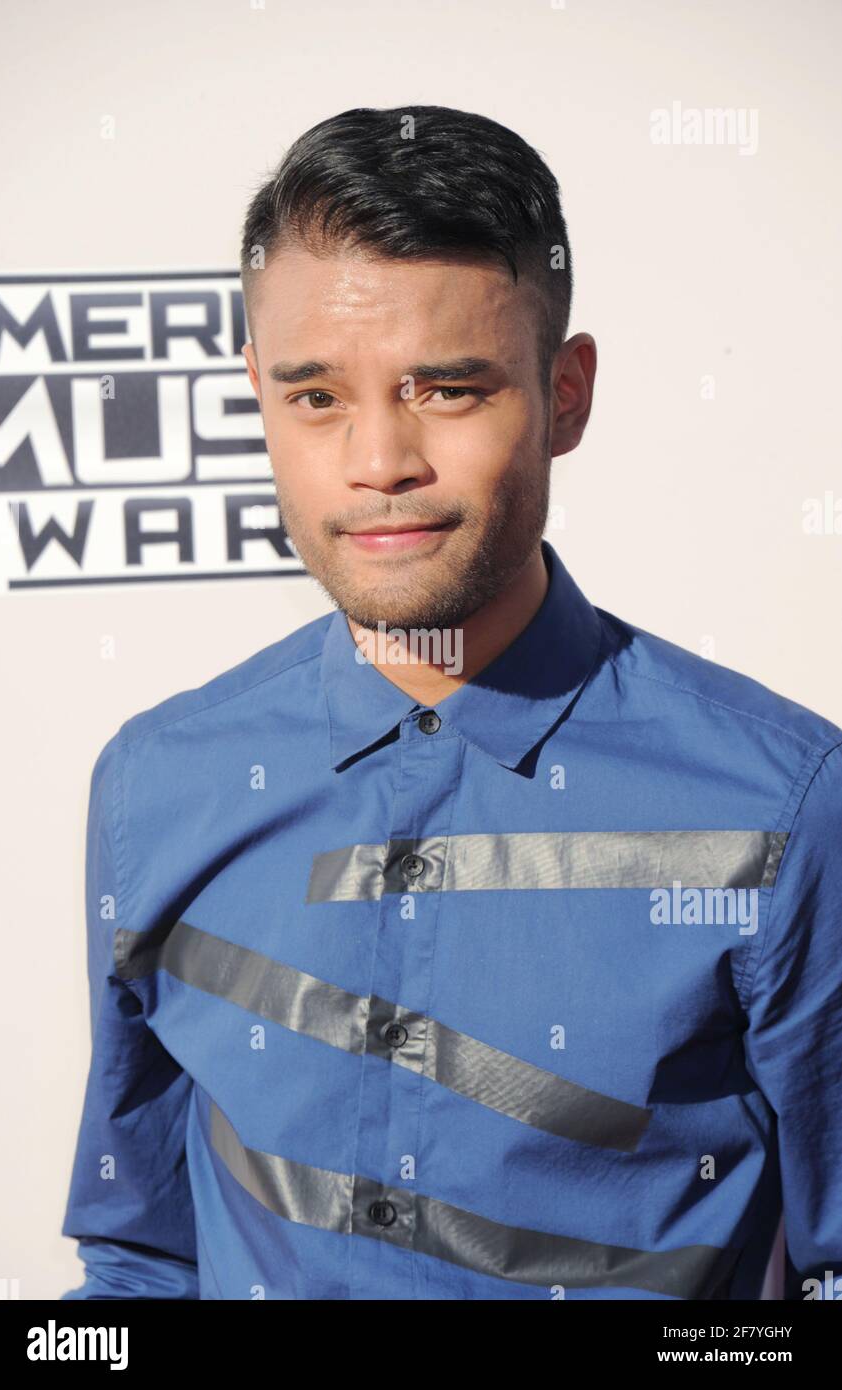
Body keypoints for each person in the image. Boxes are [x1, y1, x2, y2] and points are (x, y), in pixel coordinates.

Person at [60, 105, 842, 1301]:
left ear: (565, 393)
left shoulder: (783, 802)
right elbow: (141, 1251)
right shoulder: (157, 784)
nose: (379, 460)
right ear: (257, 398)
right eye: (315, 396)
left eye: (448, 389)